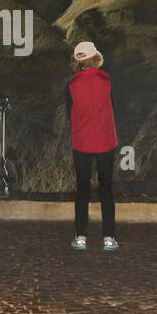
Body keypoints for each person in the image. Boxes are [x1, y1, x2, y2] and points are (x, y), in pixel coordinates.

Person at [65, 41, 119, 252]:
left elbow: (71, 114)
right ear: (95, 58)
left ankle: (80, 236)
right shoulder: (106, 81)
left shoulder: (71, 86)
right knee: (106, 189)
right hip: (105, 141)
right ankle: (109, 237)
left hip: (82, 142)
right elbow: (112, 106)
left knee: (82, 190)